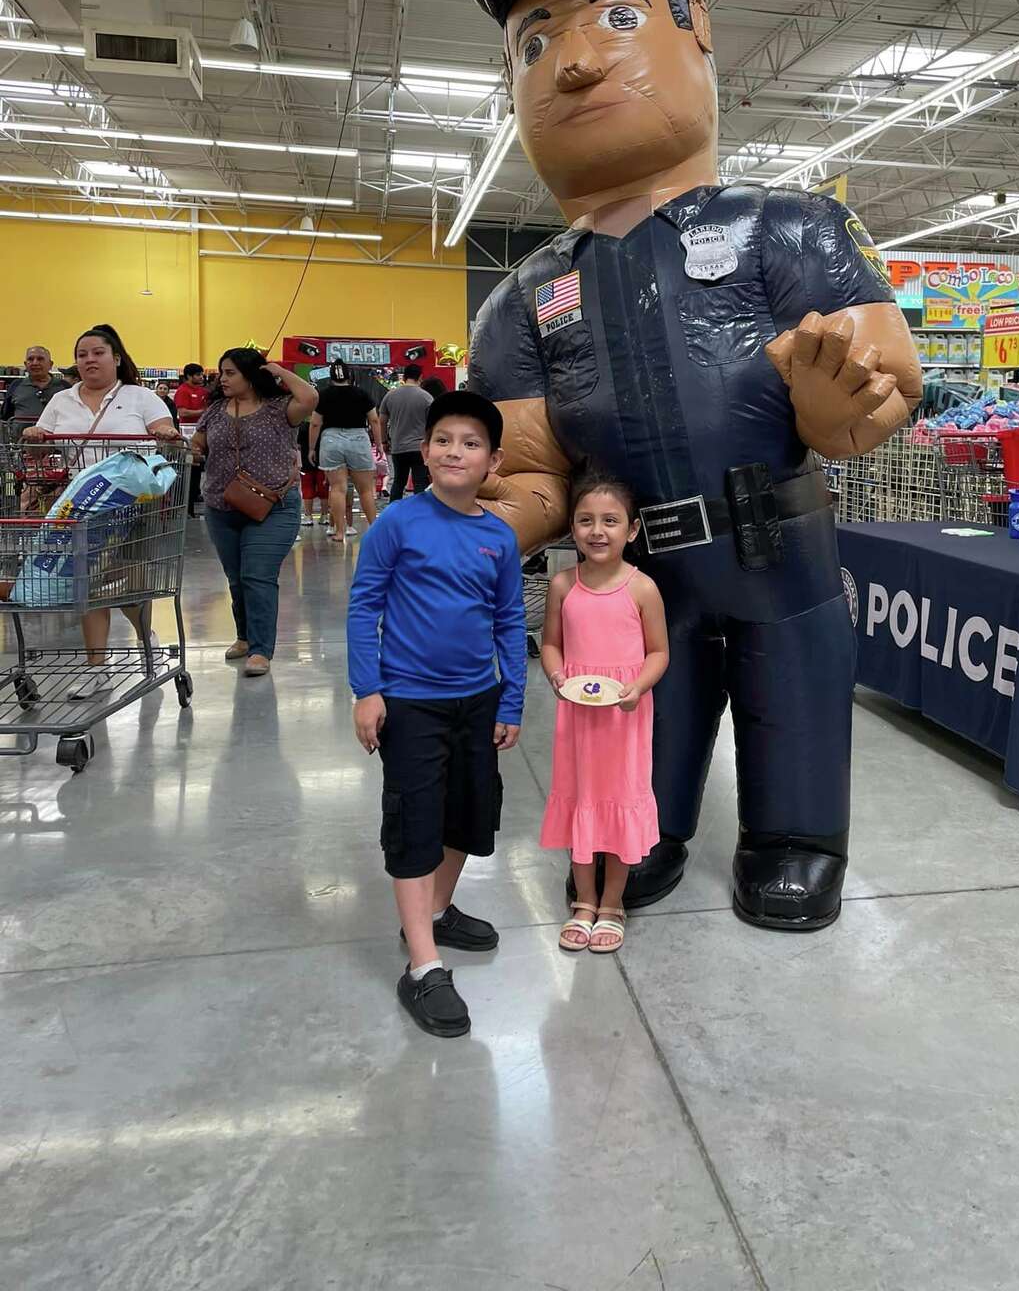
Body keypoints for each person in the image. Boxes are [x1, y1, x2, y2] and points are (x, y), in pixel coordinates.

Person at [460, 0, 921, 929]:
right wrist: (481, 528)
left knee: (792, 686)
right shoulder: (522, 298)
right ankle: (649, 826)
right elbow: (533, 469)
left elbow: (887, 379)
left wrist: (841, 407)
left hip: (777, 544)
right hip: (632, 565)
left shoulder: (791, 227)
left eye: (616, 18)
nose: (575, 65)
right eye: (537, 43)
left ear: (694, 27)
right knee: (640, 717)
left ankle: (796, 834)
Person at [348, 391, 526, 1039]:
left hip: (477, 700)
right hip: (410, 702)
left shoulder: (498, 536)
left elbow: (510, 620)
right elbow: (363, 605)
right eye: (444, 440)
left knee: (469, 814)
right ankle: (423, 965)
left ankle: (438, 908)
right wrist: (367, 690)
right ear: (424, 451)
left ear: (492, 461)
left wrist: (511, 698)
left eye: (471, 443)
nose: (456, 451)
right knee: (415, 824)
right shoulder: (397, 523)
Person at [541, 471, 668, 956]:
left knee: (619, 798)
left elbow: (659, 652)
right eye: (586, 520)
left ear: (631, 530)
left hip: (624, 717)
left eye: (610, 521)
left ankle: (612, 903)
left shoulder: (642, 589)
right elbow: (551, 644)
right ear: (572, 528)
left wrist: (638, 686)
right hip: (578, 719)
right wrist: (558, 677)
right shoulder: (562, 585)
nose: (597, 531)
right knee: (581, 797)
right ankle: (584, 900)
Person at [26, 324, 178, 694]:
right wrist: (35, 436)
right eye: (82, 355)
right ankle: (97, 667)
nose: (89, 360)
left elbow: (163, 427)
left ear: (116, 358)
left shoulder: (140, 397)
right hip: (82, 506)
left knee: (131, 583)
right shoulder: (61, 400)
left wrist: (164, 433)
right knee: (88, 585)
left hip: (133, 505)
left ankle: (145, 635)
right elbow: (39, 447)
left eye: (98, 353)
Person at [192, 348, 317, 677]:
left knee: (257, 575)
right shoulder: (215, 410)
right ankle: (245, 637)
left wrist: (278, 370)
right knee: (236, 577)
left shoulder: (280, 409)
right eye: (221, 373)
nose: (222, 379)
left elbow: (310, 397)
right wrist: (190, 450)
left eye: (230, 373)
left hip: (273, 507)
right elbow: (198, 443)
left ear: (251, 375)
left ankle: (261, 650)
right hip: (221, 507)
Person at [311, 360, 383, 543]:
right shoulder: (362, 393)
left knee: (337, 488)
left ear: (331, 377)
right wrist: (379, 444)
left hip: (331, 439)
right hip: (358, 439)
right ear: (349, 376)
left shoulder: (323, 395)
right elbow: (374, 420)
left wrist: (312, 448)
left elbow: (315, 423)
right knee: (365, 490)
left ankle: (340, 532)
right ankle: (375, 531)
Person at [379, 363, 432, 500]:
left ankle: (394, 510)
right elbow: (432, 424)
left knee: (398, 482)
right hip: (419, 448)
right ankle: (420, 511)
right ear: (420, 377)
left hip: (398, 447)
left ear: (404, 377)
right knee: (420, 482)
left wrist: (384, 441)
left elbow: (382, 421)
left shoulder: (390, 396)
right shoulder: (426, 397)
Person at [1, 344, 69, 425]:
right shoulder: (15, 386)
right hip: (21, 434)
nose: (35, 363)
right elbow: (5, 417)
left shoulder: (65, 387)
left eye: (40, 359)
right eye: (30, 359)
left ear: (50, 364)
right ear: (25, 364)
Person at [297, 418, 327, 527]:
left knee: (307, 488)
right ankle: (324, 516)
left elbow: (298, 445)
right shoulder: (324, 424)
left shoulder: (302, 426)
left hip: (306, 461)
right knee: (324, 489)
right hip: (323, 460)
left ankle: (308, 516)